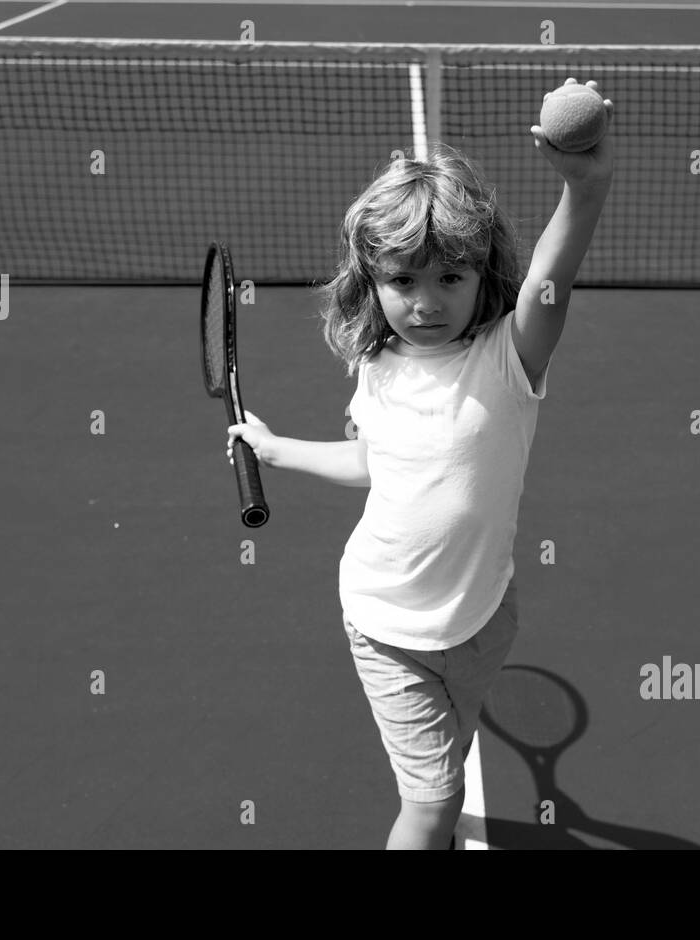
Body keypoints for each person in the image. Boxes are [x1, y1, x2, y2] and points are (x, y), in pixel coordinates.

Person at [226, 79, 615, 849]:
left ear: (481, 277)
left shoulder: (509, 361)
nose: (426, 301)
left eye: (450, 278)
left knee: (451, 758)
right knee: (432, 804)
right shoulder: (378, 366)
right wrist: (275, 449)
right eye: (402, 280)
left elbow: (549, 284)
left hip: (481, 620)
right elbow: (375, 463)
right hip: (387, 622)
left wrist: (586, 186)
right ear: (373, 283)